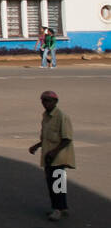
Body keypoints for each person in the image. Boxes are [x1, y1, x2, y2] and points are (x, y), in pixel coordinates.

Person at [29, 90, 74, 220]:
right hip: (49, 156)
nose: (45, 103)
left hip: (59, 156)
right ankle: (63, 207)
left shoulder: (62, 117)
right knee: (56, 183)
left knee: (56, 184)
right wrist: (36, 146)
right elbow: (46, 137)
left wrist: (54, 152)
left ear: (55, 102)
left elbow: (67, 138)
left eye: (48, 100)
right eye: (43, 100)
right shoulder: (46, 116)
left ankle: (57, 209)